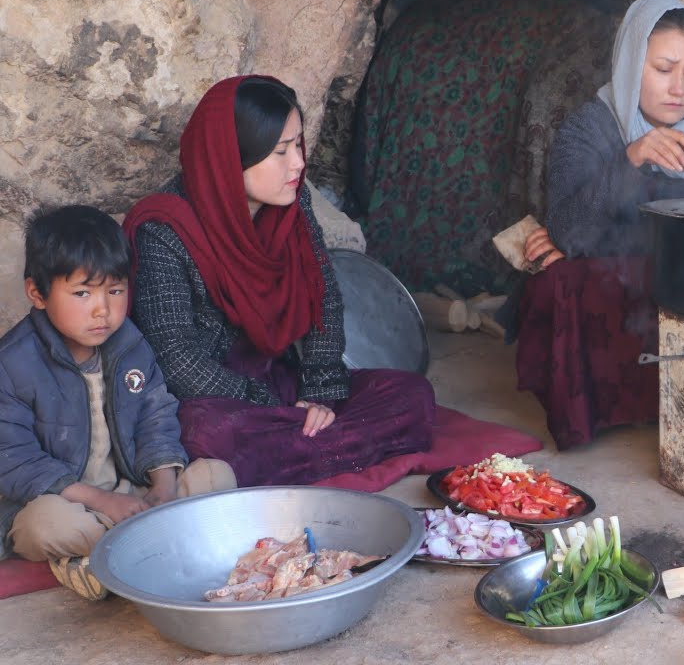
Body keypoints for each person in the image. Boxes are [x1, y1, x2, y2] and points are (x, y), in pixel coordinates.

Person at [124, 75, 435, 487]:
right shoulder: (165, 231)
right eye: (280, 151)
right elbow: (178, 360)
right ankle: (318, 445)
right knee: (207, 436)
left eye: (298, 145)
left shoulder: (291, 204)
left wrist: (319, 392)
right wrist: (276, 407)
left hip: (279, 383)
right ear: (230, 157)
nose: (298, 163)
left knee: (413, 397)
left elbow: (323, 296)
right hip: (215, 400)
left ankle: (295, 450)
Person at [513, 0, 684, 449]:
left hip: (678, 275)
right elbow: (569, 228)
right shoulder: (590, 127)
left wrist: (585, 241)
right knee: (559, 278)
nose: (679, 88)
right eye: (663, 70)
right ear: (629, 64)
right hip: (620, 282)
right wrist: (632, 158)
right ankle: (594, 411)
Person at [0, 205, 236, 600]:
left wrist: (162, 486)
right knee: (45, 526)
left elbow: (155, 414)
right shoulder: (13, 363)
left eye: (115, 290)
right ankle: (148, 546)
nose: (102, 310)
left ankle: (112, 556)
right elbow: (14, 459)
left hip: (131, 491)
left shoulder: (130, 343)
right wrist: (100, 500)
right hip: (66, 503)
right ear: (36, 294)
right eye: (82, 293)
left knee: (217, 476)